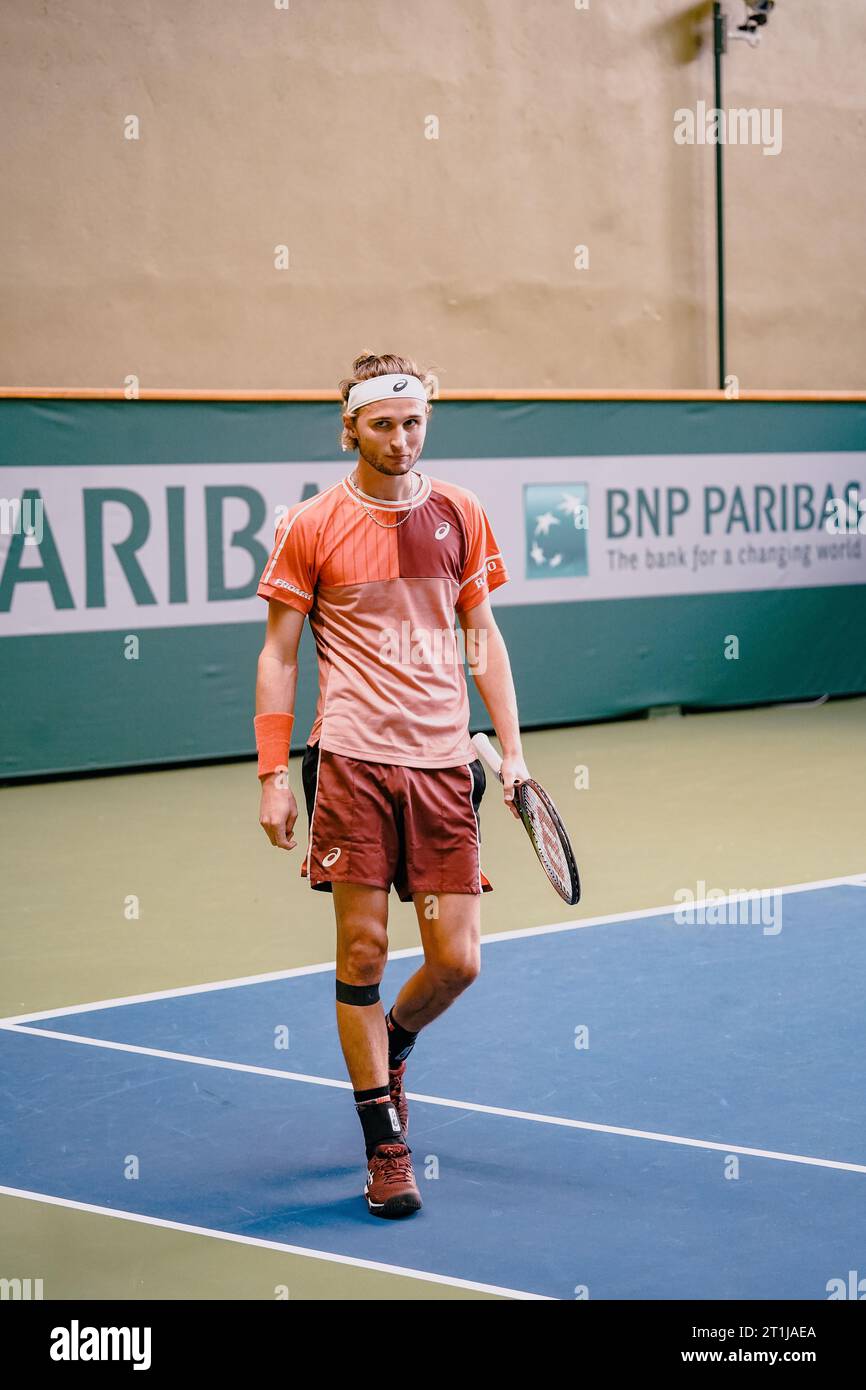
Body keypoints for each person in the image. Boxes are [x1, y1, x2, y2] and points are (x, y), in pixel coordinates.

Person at [254, 352, 529, 1218]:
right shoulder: (310, 524)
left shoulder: (461, 512)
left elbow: (482, 635)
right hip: (353, 764)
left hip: (447, 766)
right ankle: (386, 1149)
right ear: (351, 428)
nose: (401, 438)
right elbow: (278, 655)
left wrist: (513, 754)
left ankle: (395, 1041)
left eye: (413, 422)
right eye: (383, 424)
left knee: (456, 961)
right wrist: (271, 773)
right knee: (365, 954)